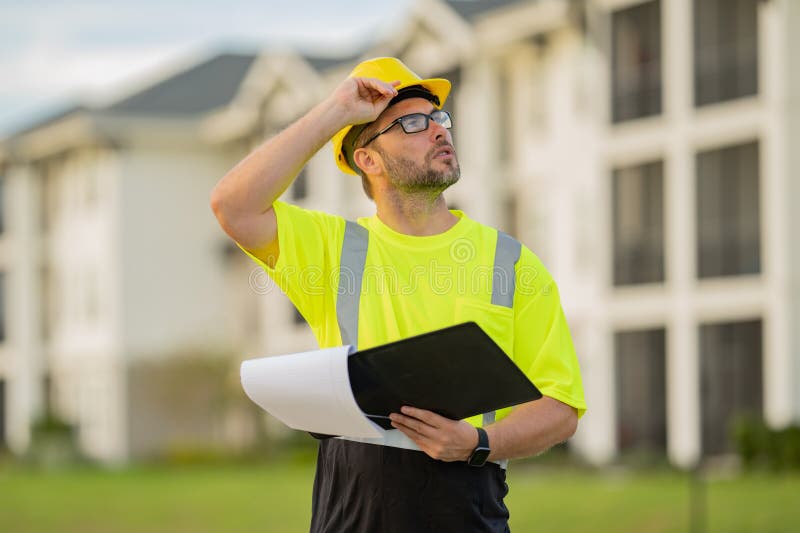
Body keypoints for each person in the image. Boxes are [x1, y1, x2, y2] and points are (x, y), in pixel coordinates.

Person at [211, 57, 586, 532]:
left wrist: (477, 442)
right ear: (367, 159)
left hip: (468, 510)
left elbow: (560, 407)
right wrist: (334, 111)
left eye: (439, 119)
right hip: (352, 512)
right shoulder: (332, 250)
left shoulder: (511, 262)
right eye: (411, 123)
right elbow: (233, 205)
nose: (437, 130)